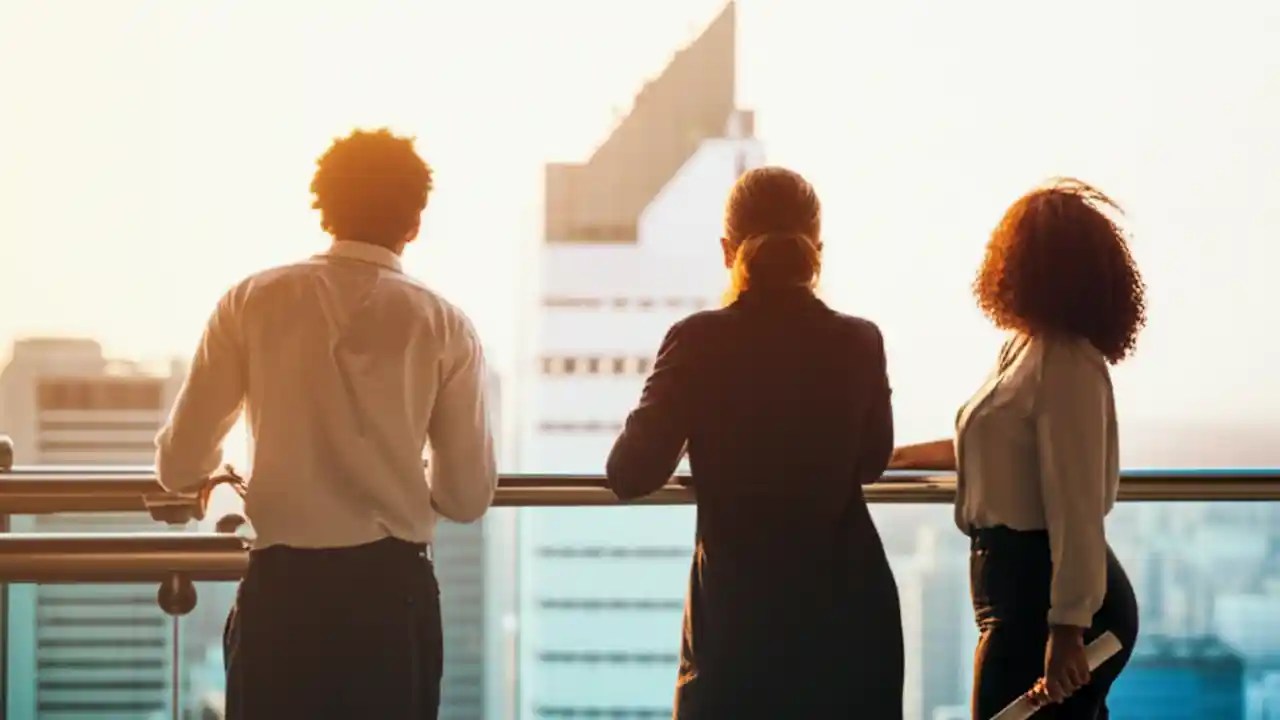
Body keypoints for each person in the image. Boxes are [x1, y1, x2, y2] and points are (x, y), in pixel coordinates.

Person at [155, 128, 498, 719]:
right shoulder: (444, 324)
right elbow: (465, 499)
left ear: (324, 209)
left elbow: (179, 465)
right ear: (414, 223)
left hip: (282, 595)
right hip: (392, 598)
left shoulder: (249, 301)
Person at [606, 167, 904, 719]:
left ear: (727, 250)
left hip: (740, 627)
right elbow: (871, 461)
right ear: (817, 251)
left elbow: (630, 473)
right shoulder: (860, 340)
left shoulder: (697, 341)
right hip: (852, 624)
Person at [890, 178, 1144, 718]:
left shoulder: (1066, 362)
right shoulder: (1023, 350)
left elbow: (1077, 503)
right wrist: (898, 458)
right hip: (1017, 596)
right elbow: (999, 449)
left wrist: (1068, 629)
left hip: (1047, 601)